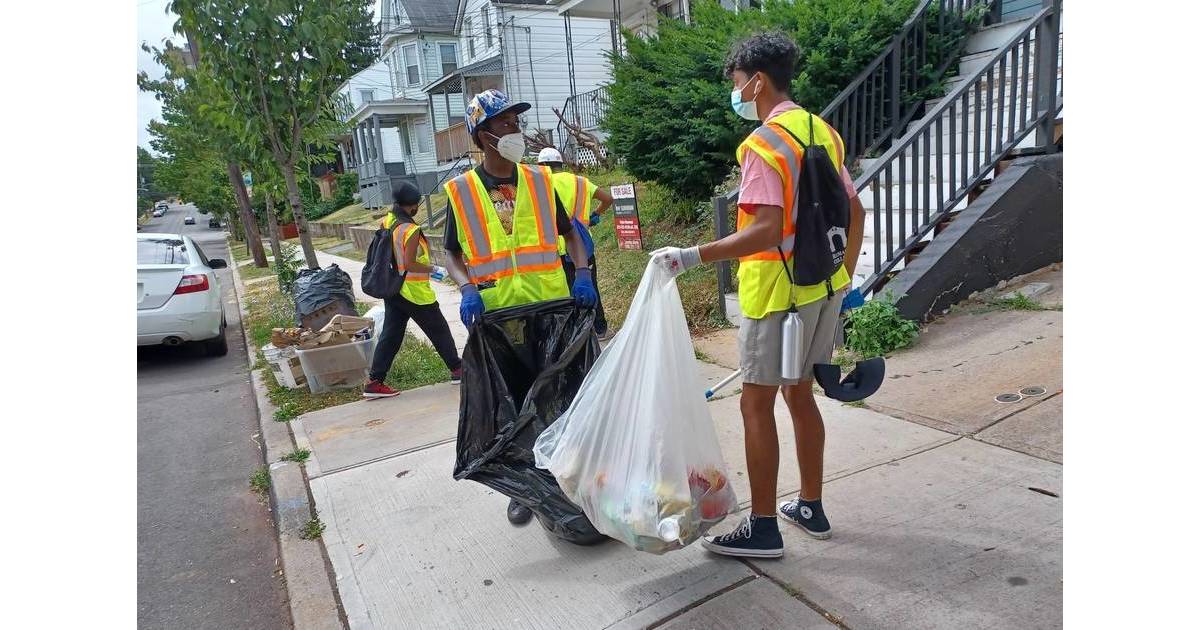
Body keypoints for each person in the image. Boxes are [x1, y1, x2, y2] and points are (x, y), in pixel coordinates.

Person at [651, 32, 866, 558]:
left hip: (776, 297)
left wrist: (692, 255)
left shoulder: (763, 144)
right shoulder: (821, 130)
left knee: (755, 404)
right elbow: (855, 210)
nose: (736, 93)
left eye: (737, 83)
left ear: (757, 82)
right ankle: (810, 506)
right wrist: (844, 279)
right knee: (800, 395)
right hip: (821, 289)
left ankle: (764, 528)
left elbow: (766, 230)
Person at [442, 90, 598, 526]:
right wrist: (466, 287)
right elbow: (450, 252)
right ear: (483, 134)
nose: (516, 130)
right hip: (499, 318)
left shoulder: (539, 181)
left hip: (551, 310)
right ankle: (524, 490)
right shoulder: (462, 191)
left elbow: (571, 234)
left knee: (559, 397)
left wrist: (581, 272)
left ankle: (569, 476)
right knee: (512, 404)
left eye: (516, 122)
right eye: (506, 123)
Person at [363, 184, 463, 398]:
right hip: (413, 292)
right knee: (439, 329)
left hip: (393, 289)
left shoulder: (388, 221)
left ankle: (374, 381)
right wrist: (434, 269)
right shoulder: (410, 230)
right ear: (412, 205)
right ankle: (457, 369)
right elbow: (409, 263)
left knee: (391, 335)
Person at [537, 147, 614, 337]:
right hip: (582, 247)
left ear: (543, 165)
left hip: (555, 248)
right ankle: (600, 328)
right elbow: (608, 199)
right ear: (560, 163)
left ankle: (576, 333)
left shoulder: (541, 185)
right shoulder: (581, 182)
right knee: (590, 286)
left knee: (565, 292)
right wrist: (594, 214)